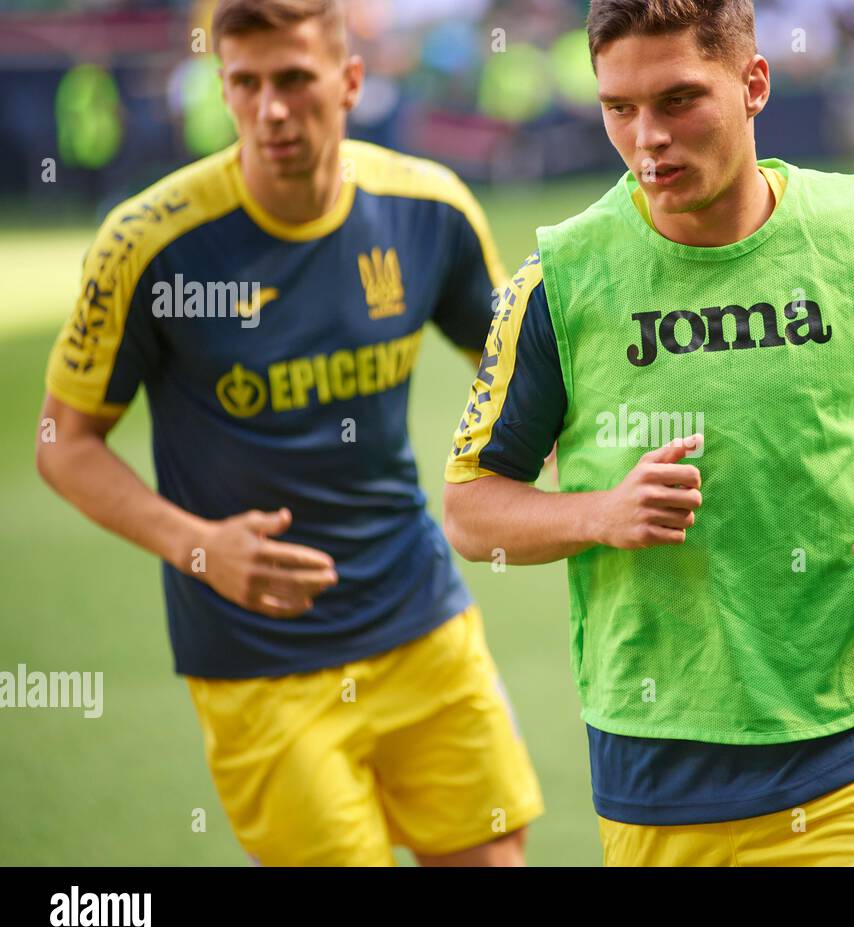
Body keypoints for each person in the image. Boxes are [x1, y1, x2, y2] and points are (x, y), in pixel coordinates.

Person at [443, 0, 854, 866]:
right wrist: (599, 514)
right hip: (659, 760)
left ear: (754, 85)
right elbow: (471, 511)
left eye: (678, 101)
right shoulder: (558, 281)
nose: (647, 139)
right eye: (618, 108)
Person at [35, 0, 541, 866]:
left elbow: (521, 378)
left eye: (295, 80)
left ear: (349, 82)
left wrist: (575, 489)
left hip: (422, 621)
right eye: (247, 83)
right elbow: (62, 441)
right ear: (223, 89)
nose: (271, 108)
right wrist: (199, 548)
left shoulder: (430, 210)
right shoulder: (147, 245)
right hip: (256, 659)